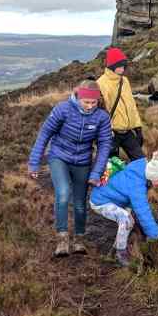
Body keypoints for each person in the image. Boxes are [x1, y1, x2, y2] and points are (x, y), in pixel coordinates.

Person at [28, 81, 112, 257]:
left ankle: (79, 239)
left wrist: (96, 172)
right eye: (86, 102)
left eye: (93, 103)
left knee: (80, 204)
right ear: (78, 96)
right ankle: (62, 239)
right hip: (59, 157)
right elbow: (45, 134)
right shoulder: (63, 109)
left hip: (83, 161)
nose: (89, 106)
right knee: (64, 193)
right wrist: (34, 163)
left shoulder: (102, 117)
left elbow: (104, 145)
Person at [90, 150, 158, 267]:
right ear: (152, 175)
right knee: (127, 220)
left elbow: (137, 204)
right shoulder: (137, 184)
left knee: (128, 217)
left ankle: (113, 252)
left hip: (113, 199)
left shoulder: (142, 169)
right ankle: (120, 254)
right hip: (101, 202)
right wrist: (156, 238)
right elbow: (143, 213)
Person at [97, 47, 144, 161]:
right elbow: (100, 111)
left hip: (127, 132)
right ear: (112, 66)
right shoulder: (101, 83)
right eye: (120, 65)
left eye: (124, 65)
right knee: (112, 167)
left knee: (141, 162)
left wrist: (138, 128)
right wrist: (107, 134)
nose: (123, 68)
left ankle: (140, 179)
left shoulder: (125, 81)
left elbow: (131, 106)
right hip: (111, 134)